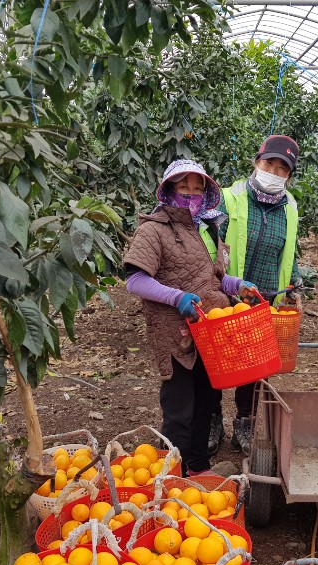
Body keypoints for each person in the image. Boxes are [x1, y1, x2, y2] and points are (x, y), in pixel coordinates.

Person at [123, 160, 258, 476]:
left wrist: (236, 284)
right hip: (176, 336)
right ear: (169, 190)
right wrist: (176, 297)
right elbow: (134, 281)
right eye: (184, 187)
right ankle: (174, 475)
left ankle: (198, 468)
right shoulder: (154, 230)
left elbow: (214, 276)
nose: (191, 195)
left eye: (198, 189)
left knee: (206, 405)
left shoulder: (206, 228)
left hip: (210, 334)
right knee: (179, 409)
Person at [209, 135, 302, 457]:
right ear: (256, 162)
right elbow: (209, 243)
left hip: (266, 300)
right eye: (268, 164)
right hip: (225, 298)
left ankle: (245, 424)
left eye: (282, 169)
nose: (273, 172)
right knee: (217, 362)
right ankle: (213, 421)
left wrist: (295, 279)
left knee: (254, 365)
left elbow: (288, 251)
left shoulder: (289, 207)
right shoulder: (228, 198)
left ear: (289, 175)